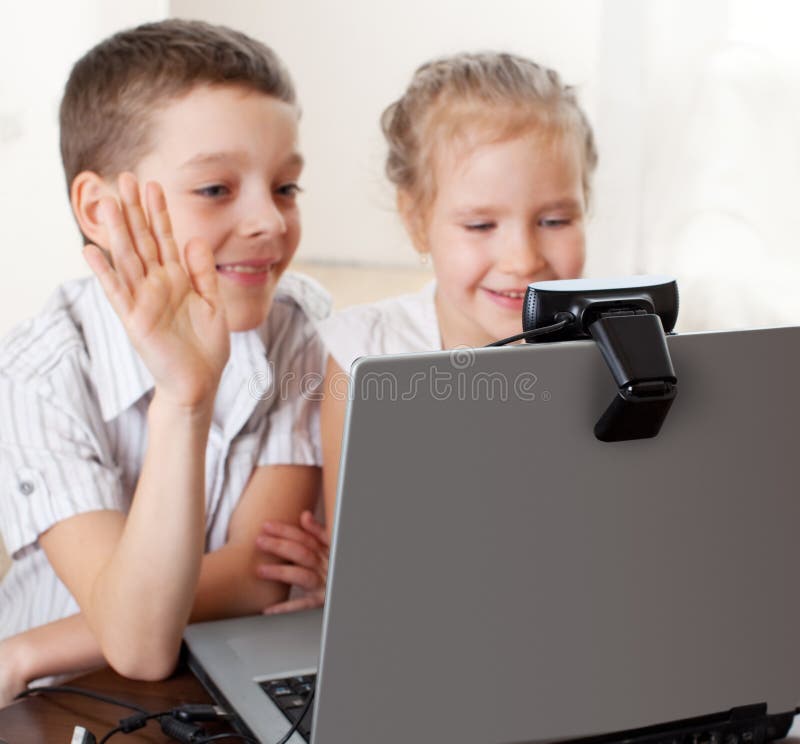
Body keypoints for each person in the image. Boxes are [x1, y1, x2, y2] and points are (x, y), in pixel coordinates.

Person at [0, 18, 330, 704]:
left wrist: (26, 650)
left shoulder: (298, 327)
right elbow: (140, 643)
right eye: (215, 189)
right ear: (100, 209)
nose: (270, 221)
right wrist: (186, 398)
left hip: (197, 689)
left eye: (286, 187)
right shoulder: (37, 373)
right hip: (55, 701)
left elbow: (263, 573)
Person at [258, 51, 599, 613]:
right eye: (480, 225)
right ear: (418, 221)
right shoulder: (366, 354)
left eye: (555, 220)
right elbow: (361, 563)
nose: (523, 258)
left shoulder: (609, 356)